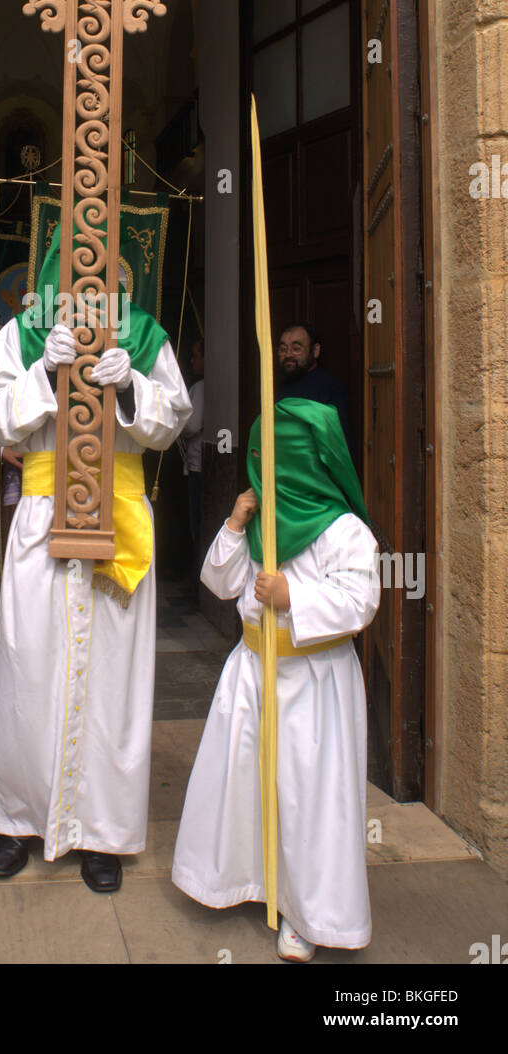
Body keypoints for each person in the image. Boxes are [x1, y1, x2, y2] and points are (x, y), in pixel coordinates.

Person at [0, 226, 192, 893]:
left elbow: (172, 420)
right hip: (44, 516)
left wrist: (132, 388)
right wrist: (44, 371)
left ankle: (104, 832)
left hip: (120, 516)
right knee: (26, 668)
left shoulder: (147, 336)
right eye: (76, 274)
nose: (92, 288)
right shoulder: (18, 336)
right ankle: (19, 821)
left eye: (104, 277)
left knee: (113, 679)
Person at [171, 397, 380, 960]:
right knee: (245, 781)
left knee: (308, 795)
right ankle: (249, 881)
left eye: (279, 457)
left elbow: (361, 600)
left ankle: (309, 913)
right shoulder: (258, 521)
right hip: (252, 672)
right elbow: (219, 583)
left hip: (315, 682)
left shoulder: (344, 530)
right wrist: (236, 526)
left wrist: (295, 597)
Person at [277, 322, 355, 458]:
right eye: (283, 349)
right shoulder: (277, 388)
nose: (288, 354)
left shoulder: (331, 387)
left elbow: (339, 443)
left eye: (296, 348)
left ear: (315, 350)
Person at [178, 336, 205, 584]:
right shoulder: (200, 387)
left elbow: (193, 425)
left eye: (196, 356)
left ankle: (198, 580)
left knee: (198, 527)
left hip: (198, 467)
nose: (192, 361)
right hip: (197, 465)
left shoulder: (201, 388)